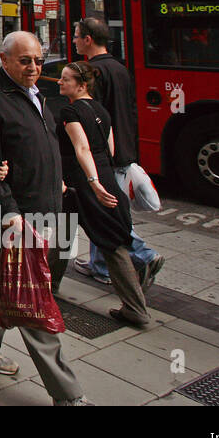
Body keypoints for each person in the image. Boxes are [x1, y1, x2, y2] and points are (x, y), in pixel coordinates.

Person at [0, 30, 89, 405]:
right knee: (33, 301)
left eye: (38, 59)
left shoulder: (33, 91)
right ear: (4, 58)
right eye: (24, 60)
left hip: (43, 206)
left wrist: (59, 183)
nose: (34, 67)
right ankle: (68, 392)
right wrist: (8, 210)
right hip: (12, 215)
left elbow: (39, 144)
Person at [71, 17, 164, 290]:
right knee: (106, 208)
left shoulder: (91, 73)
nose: (74, 40)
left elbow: (91, 116)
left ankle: (144, 255)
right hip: (123, 149)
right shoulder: (120, 68)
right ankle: (100, 266)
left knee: (107, 212)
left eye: (76, 36)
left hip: (103, 154)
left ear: (88, 39)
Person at [57, 61, 150, 327]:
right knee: (64, 227)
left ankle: (136, 308)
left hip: (84, 180)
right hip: (104, 176)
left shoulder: (70, 111)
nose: (60, 82)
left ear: (81, 85)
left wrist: (92, 183)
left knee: (110, 242)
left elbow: (82, 149)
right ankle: (50, 283)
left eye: (66, 79)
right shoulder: (102, 111)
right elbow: (108, 148)